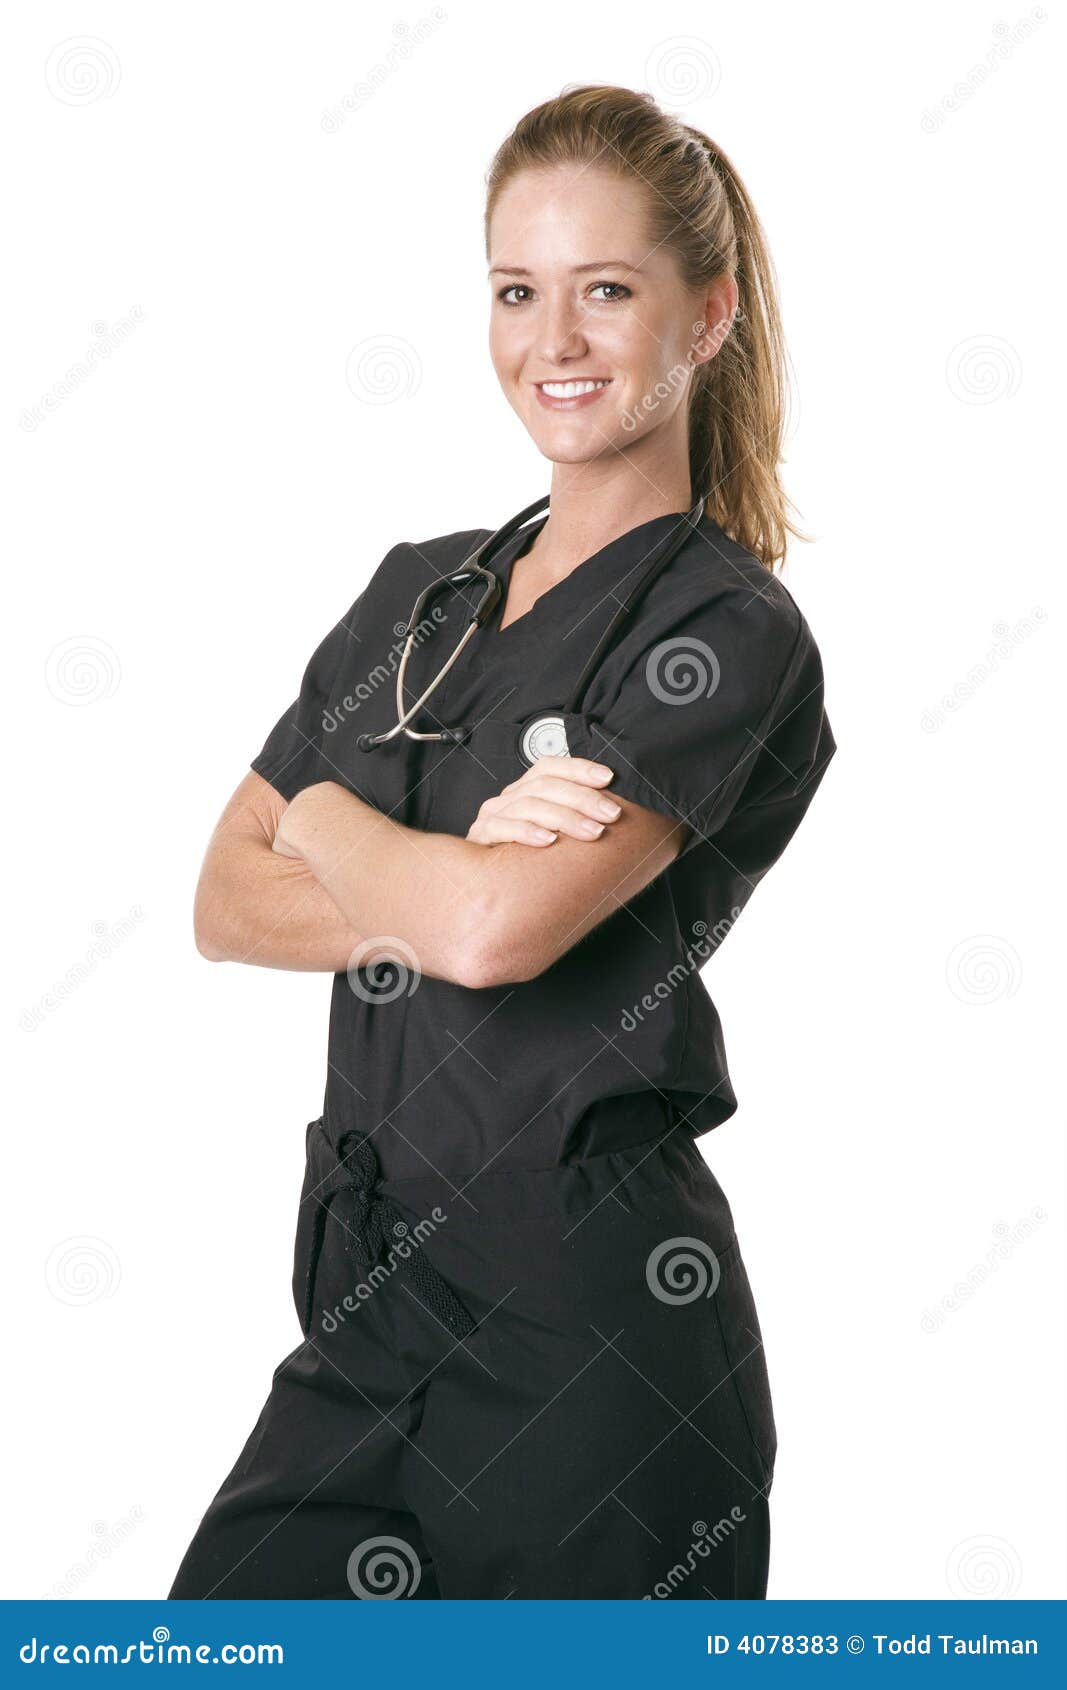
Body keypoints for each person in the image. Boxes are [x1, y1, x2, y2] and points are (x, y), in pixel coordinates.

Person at [169, 83, 836, 1601]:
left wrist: (332, 819)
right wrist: (446, 861)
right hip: (369, 1311)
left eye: (609, 290)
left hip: (593, 1349)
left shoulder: (723, 631)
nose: (557, 342)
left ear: (709, 315)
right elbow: (219, 896)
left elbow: (492, 934)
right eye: (519, 292)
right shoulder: (422, 591)